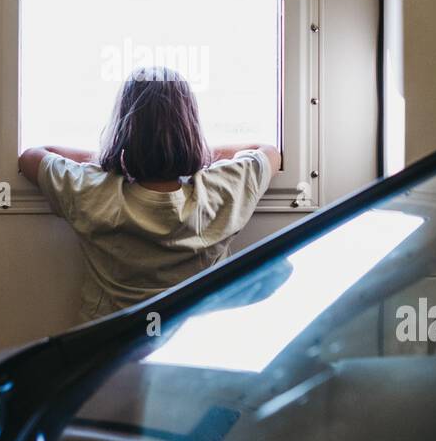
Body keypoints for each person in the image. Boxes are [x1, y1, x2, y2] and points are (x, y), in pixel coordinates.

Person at [18, 66, 281, 322]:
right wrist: (185, 150)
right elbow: (269, 151)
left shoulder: (91, 189)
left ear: (122, 130)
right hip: (197, 338)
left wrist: (111, 157)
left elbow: (31, 156)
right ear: (189, 129)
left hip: (108, 343)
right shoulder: (221, 188)